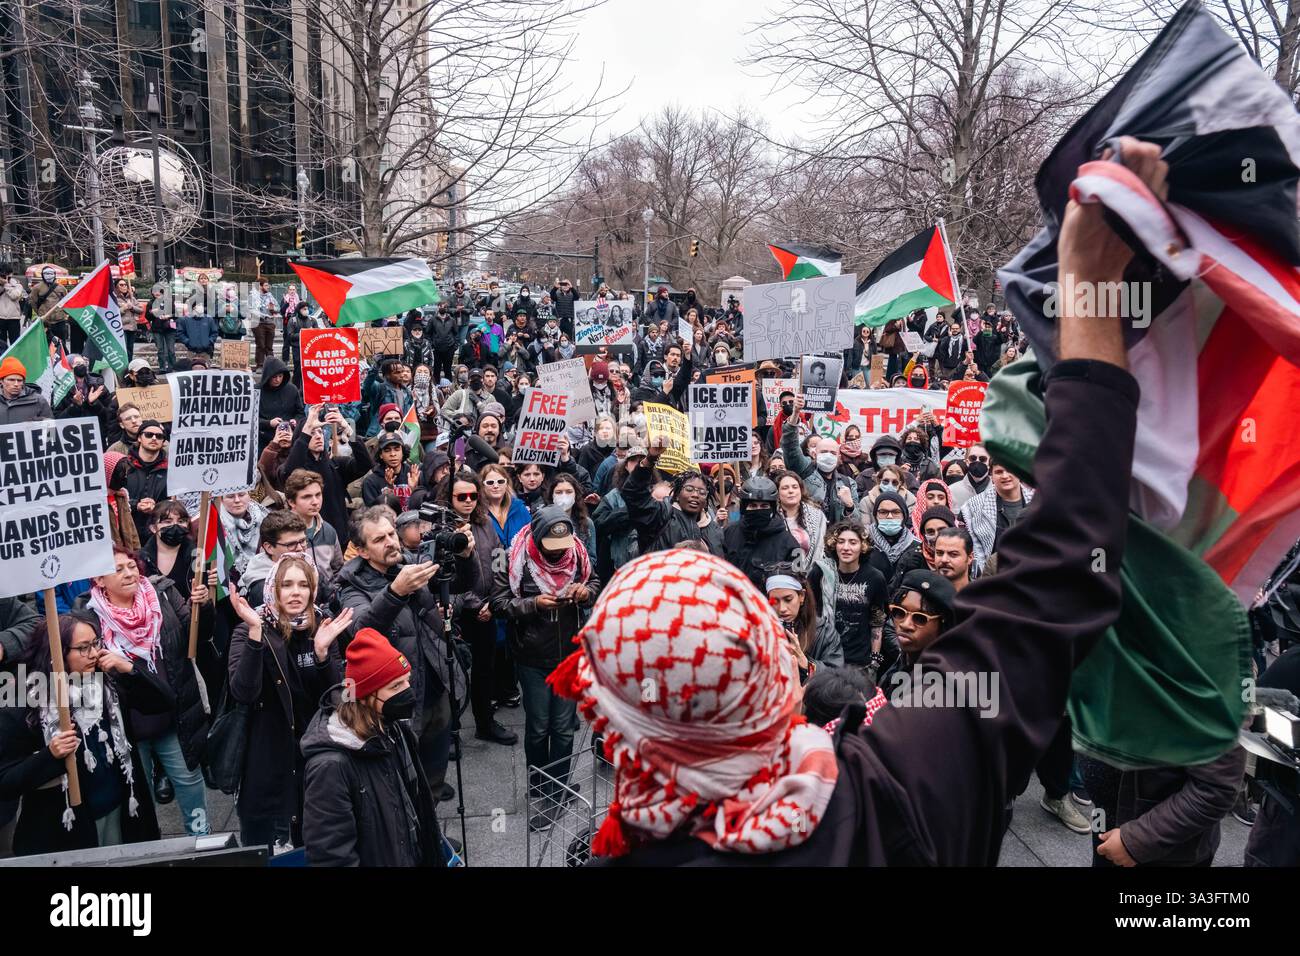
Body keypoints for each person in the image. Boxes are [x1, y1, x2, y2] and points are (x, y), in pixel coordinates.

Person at [0, 610, 173, 855]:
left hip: (122, 812)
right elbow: (6, 782)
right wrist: (49, 756)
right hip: (65, 829)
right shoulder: (27, 703)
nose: (93, 654)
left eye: (96, 643)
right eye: (83, 648)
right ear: (57, 653)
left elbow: (163, 702)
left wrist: (129, 669)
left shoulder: (108, 682)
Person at [336, 506, 476, 800]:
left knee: (434, 765)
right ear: (361, 551)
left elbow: (462, 583)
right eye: (378, 540)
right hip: (397, 696)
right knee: (402, 779)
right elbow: (360, 631)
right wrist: (394, 593)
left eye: (390, 534)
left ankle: (433, 816)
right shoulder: (350, 585)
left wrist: (465, 558)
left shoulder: (408, 564)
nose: (390, 542)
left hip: (435, 682)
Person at [83, 546, 210, 837]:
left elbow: (198, 635)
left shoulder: (163, 594)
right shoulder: (89, 618)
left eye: (131, 565)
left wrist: (203, 607)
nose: (129, 573)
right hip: (128, 727)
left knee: (192, 788)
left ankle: (203, 845)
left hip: (174, 717)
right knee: (138, 802)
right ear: (99, 581)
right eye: (118, 569)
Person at [226, 558, 349, 850]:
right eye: (287, 584)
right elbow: (242, 692)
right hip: (266, 757)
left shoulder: (324, 627)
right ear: (273, 589)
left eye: (303, 584)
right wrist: (256, 636)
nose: (296, 592)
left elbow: (346, 699)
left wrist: (322, 656)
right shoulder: (249, 629)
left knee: (318, 842)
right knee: (268, 847)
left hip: (316, 755)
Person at [492, 506, 600, 831]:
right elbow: (498, 603)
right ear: (537, 540)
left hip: (569, 652)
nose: (559, 554)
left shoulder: (578, 553)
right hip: (532, 656)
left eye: (562, 547)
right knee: (539, 725)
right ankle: (539, 783)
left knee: (564, 726)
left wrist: (584, 593)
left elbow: (594, 581)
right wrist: (533, 604)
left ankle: (560, 786)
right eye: (551, 549)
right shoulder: (511, 557)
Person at [301, 627, 446, 866]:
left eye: (406, 682)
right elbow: (332, 856)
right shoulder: (330, 767)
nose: (408, 693)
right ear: (366, 695)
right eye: (395, 686)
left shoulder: (393, 728)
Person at [281, 407, 373, 541]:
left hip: (339, 538)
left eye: (320, 432)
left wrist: (347, 429)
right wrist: (307, 429)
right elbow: (289, 471)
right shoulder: (294, 467)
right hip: (306, 540)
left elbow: (365, 464)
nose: (318, 436)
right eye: (312, 433)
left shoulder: (335, 465)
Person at [623, 442, 724, 555]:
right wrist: (650, 459)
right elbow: (634, 494)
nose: (695, 495)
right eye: (689, 489)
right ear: (677, 494)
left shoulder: (714, 530)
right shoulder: (661, 516)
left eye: (702, 492)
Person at [822, 520, 889, 677]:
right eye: (841, 542)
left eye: (853, 542)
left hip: (860, 663)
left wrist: (874, 662)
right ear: (834, 544)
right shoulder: (821, 573)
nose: (846, 547)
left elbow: (877, 621)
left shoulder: (875, 577)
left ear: (862, 546)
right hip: (826, 659)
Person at [722, 475, 801, 592]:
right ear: (744, 508)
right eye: (753, 506)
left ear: (772, 509)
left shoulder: (788, 543)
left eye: (764, 506)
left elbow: (796, 586)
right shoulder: (729, 533)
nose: (758, 510)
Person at [765, 567, 844, 684]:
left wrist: (803, 661)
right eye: (775, 601)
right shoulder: (763, 629)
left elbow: (836, 677)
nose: (782, 609)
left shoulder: (824, 632)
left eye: (788, 599)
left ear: (801, 596)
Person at [959, 459, 1035, 575]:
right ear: (991, 475)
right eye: (999, 472)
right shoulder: (974, 507)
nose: (1005, 476)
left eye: (1010, 471)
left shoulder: (1038, 503)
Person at [283, 468, 347, 588]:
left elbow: (338, 570)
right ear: (291, 502)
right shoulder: (281, 533)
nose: (315, 502)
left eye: (318, 495)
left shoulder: (329, 530)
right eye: (307, 497)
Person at [124, 420, 170, 542]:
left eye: (159, 436)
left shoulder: (170, 471)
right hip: (127, 535)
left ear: (163, 442)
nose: (154, 438)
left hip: (157, 537)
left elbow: (173, 503)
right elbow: (114, 500)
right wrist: (136, 505)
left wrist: (157, 507)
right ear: (139, 437)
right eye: (149, 434)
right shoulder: (124, 466)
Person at [773, 470, 826, 567]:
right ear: (778, 493)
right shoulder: (772, 517)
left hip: (811, 573)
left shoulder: (817, 515)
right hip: (778, 575)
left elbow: (820, 548)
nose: (791, 491)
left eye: (795, 487)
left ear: (801, 490)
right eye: (785, 488)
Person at [257, 357, 306, 450]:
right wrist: (269, 423)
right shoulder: (257, 391)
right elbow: (250, 419)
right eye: (274, 377)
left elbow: (301, 413)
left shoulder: (292, 389)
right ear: (267, 376)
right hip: (264, 438)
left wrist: (296, 421)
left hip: (288, 438)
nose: (278, 380)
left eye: (280, 376)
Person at [0, 356, 53, 424]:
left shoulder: (39, 400)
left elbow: (52, 429)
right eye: (11, 380)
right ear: (1, 381)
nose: (16, 384)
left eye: (19, 380)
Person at [948, 443, 991, 510]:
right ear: (967, 462)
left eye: (982, 459)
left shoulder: (999, 492)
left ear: (989, 463)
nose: (977, 462)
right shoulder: (950, 491)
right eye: (973, 458)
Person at [932, 527, 974, 592]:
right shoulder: (922, 594)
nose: (944, 560)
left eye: (953, 554)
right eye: (939, 553)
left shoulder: (981, 598)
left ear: (970, 558)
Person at [0, 271, 25, 350]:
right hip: (0, 318)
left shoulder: (17, 284)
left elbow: (14, 295)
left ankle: (14, 360)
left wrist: (6, 284)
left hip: (13, 318)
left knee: (15, 344)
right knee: (1, 344)